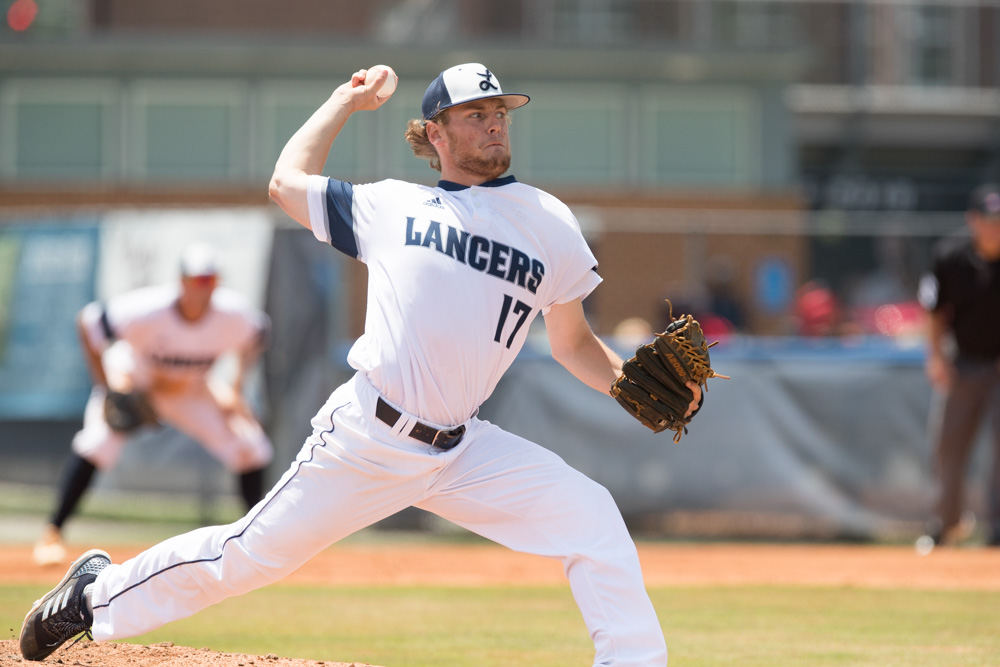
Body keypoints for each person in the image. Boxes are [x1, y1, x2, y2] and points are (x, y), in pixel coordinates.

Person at [20, 63, 701, 666]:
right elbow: (286, 182)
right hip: (368, 438)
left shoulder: (548, 221)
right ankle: (93, 595)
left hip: (463, 448)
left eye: (500, 113)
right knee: (245, 557)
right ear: (436, 133)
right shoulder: (393, 205)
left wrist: (623, 383)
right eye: (476, 115)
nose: (495, 124)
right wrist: (344, 102)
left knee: (592, 515)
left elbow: (573, 342)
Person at [31, 242, 274, 567]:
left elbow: (257, 337)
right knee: (97, 444)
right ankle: (52, 533)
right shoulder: (147, 309)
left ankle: (257, 541)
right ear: (182, 281)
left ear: (217, 282)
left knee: (250, 444)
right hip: (136, 381)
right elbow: (88, 323)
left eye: (209, 280)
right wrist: (108, 387)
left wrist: (235, 388)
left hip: (190, 389)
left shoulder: (233, 314)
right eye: (196, 280)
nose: (203, 287)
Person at [917, 183, 1000, 549]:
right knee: (948, 446)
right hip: (963, 362)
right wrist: (936, 358)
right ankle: (946, 523)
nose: (995, 228)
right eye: (989, 220)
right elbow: (934, 313)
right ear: (973, 221)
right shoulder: (950, 256)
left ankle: (997, 528)